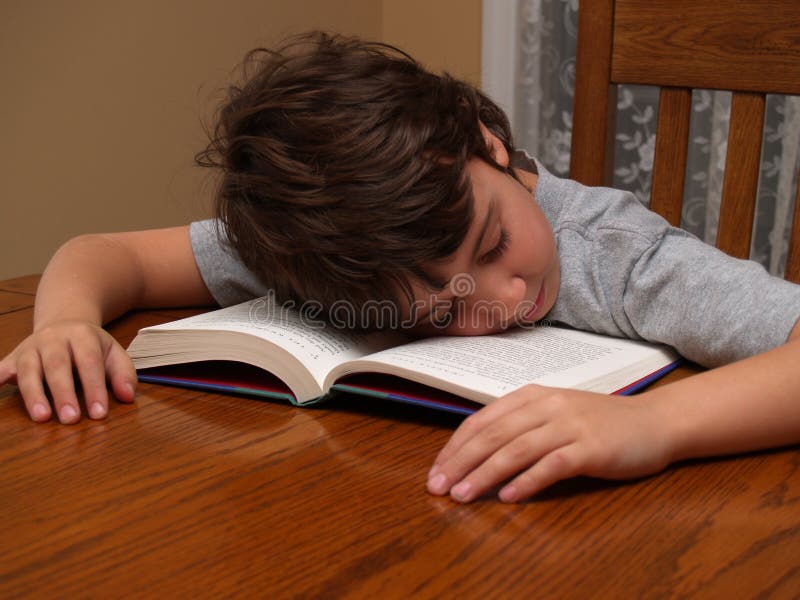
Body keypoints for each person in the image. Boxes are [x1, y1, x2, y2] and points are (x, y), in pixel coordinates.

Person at [2, 32, 800, 504]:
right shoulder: (340, 250)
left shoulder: (618, 255)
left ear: (489, 144)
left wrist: (653, 426)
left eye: (491, 245)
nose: (502, 299)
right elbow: (110, 255)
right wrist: (66, 322)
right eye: (440, 310)